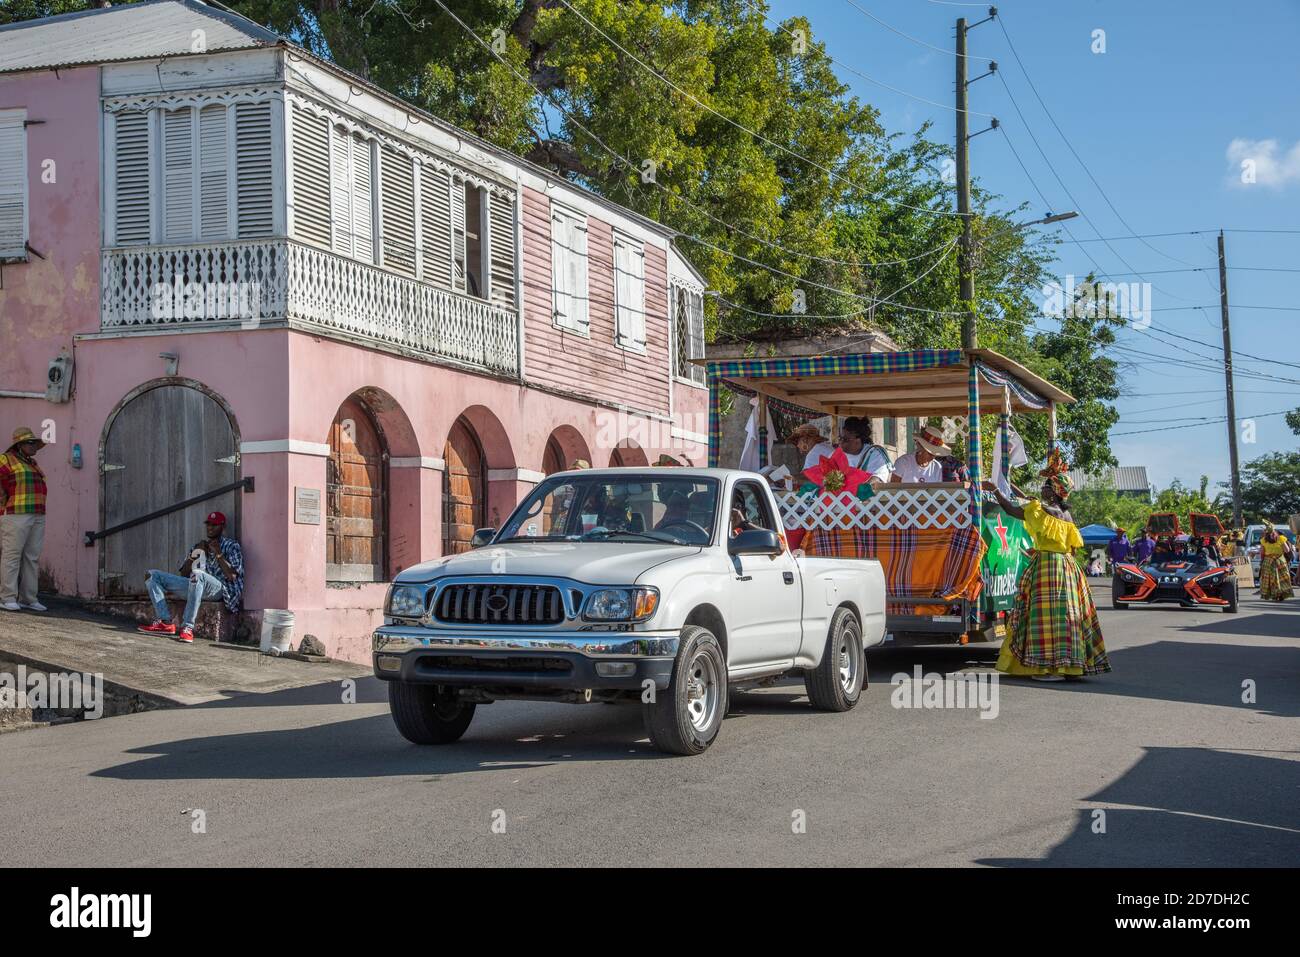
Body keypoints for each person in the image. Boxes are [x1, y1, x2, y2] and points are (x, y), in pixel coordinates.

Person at [984, 450, 1111, 681]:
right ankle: (1070, 665)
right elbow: (1030, 503)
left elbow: (1013, 510)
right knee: (1068, 617)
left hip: (1047, 568)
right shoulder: (1066, 516)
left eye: (1046, 486)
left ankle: (1047, 667)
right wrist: (1010, 487)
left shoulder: (1041, 510)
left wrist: (994, 490)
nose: (1042, 489)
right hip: (1069, 568)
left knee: (1046, 617)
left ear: (1054, 492)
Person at [138, 511, 245, 643]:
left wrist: (218, 554)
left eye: (215, 525)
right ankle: (165, 622)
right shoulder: (199, 546)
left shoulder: (231, 546)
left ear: (222, 527)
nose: (210, 527)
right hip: (196, 586)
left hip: (220, 591)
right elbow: (183, 574)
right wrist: (194, 555)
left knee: (197, 574)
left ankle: (187, 628)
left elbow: (232, 576)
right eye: (208, 524)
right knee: (152, 575)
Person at [0, 427, 48, 613]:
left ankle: (28, 598)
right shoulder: (6, 459)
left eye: (35, 443)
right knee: (12, 555)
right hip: (15, 512)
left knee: (32, 556)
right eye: (30, 442)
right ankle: (7, 597)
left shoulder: (32, 463)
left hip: (37, 513)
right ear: (19, 445)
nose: (34, 446)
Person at [838, 416, 892, 483]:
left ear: (858, 440)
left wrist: (859, 488)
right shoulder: (838, 454)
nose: (841, 442)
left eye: (845, 439)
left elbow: (877, 478)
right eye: (840, 438)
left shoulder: (874, 453)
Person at [1258, 524, 1294, 602]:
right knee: (1282, 578)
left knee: (1270, 579)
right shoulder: (1281, 538)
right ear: (1274, 530)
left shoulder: (1263, 540)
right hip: (1280, 560)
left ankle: (1273, 594)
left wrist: (1262, 560)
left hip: (1268, 561)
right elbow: (1287, 550)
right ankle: (1281, 594)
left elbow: (1262, 552)